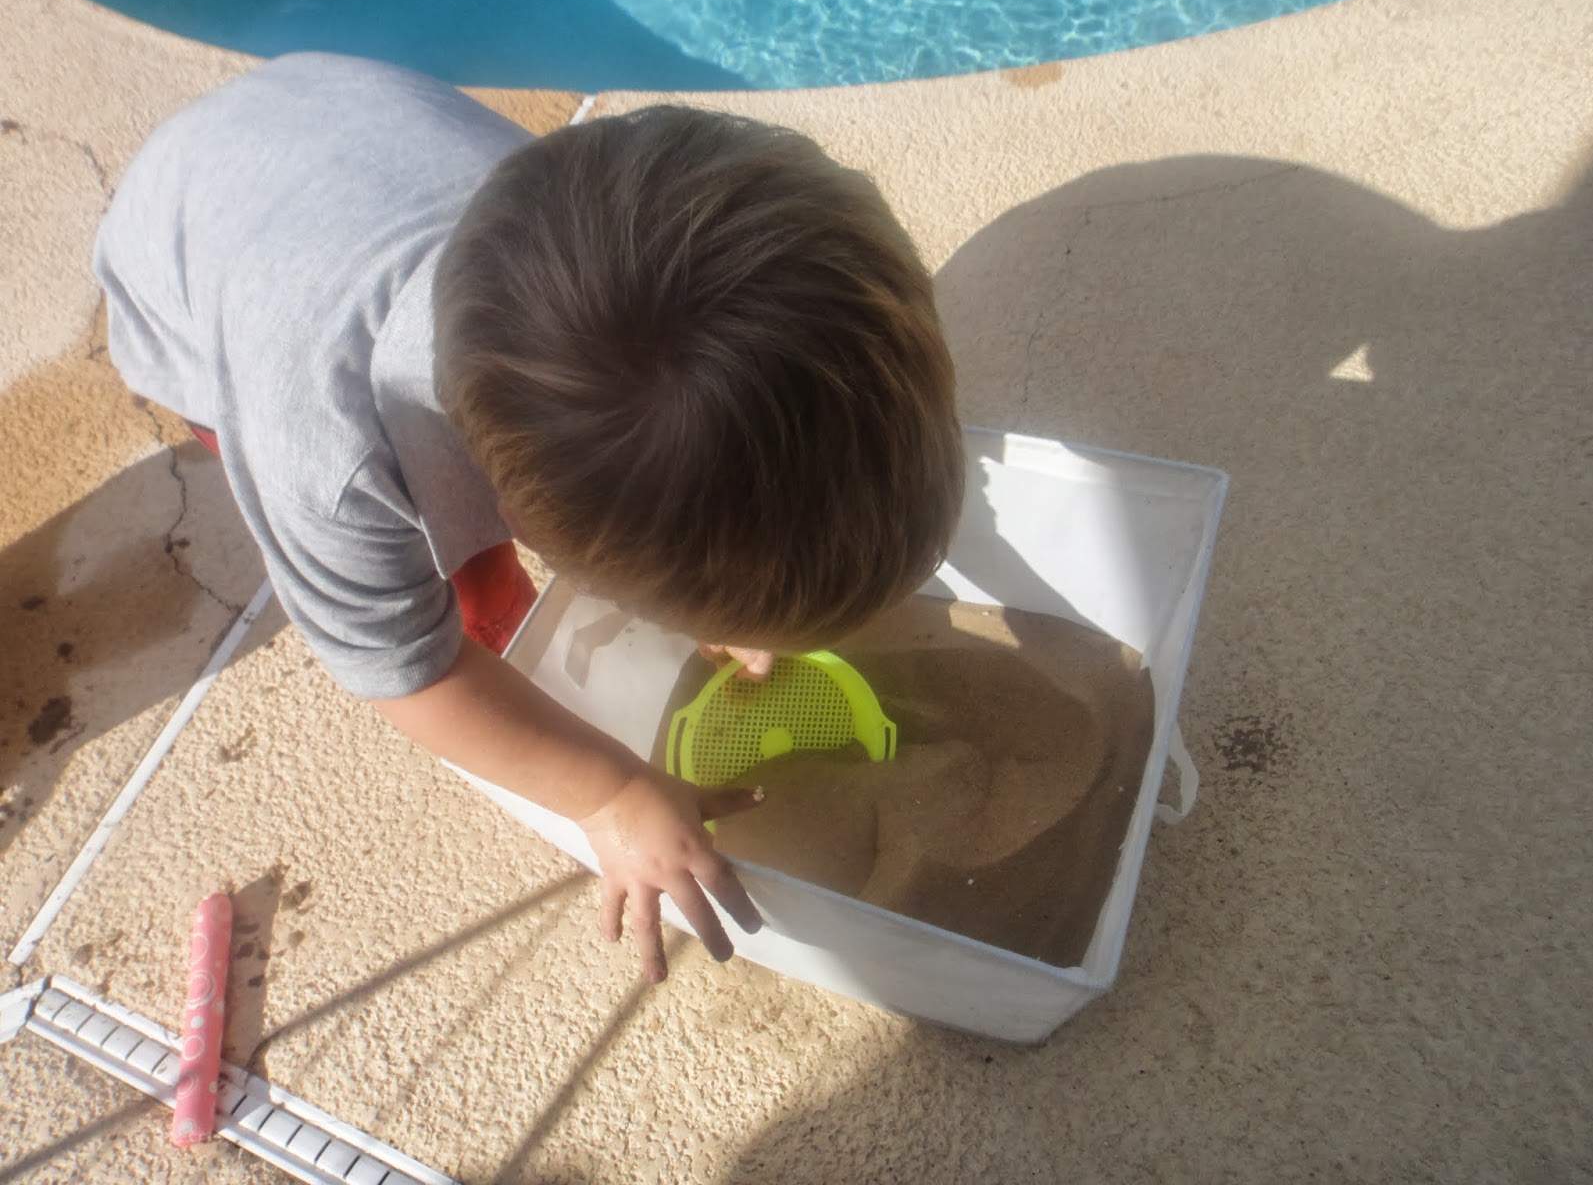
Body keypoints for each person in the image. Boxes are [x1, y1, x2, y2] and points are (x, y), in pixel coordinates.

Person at [94, 53, 965, 983]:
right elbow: (402, 675)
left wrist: (716, 589)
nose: (753, 654)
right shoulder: (332, 466)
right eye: (734, 626)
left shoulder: (603, 221)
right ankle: (500, 606)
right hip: (186, 266)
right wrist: (613, 792)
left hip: (333, 120)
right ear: (526, 518)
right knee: (474, 602)